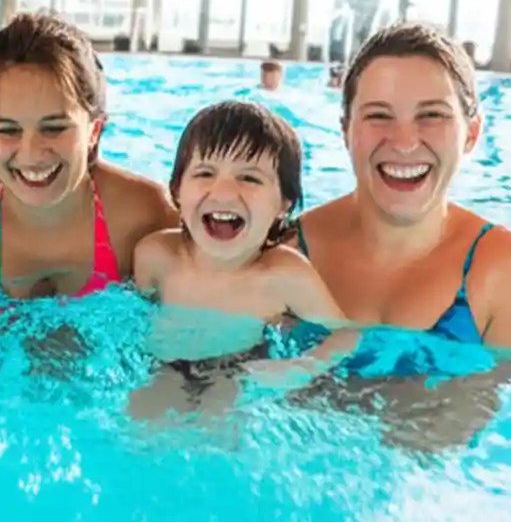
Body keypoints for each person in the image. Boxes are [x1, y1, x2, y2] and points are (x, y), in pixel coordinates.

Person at [0, 12, 179, 377]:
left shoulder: (145, 213)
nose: (31, 153)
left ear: (95, 130)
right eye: (8, 129)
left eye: (54, 128)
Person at [287, 22, 511, 351]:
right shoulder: (286, 252)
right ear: (346, 131)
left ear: (471, 134)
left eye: (432, 114)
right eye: (378, 115)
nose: (404, 143)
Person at [128, 100, 357, 418]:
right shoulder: (155, 257)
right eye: (205, 173)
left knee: (219, 426)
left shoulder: (285, 275)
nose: (223, 193)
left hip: (238, 370)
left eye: (249, 178)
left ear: (284, 204)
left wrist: (301, 366)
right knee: (140, 427)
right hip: (162, 365)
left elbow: (346, 334)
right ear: (177, 190)